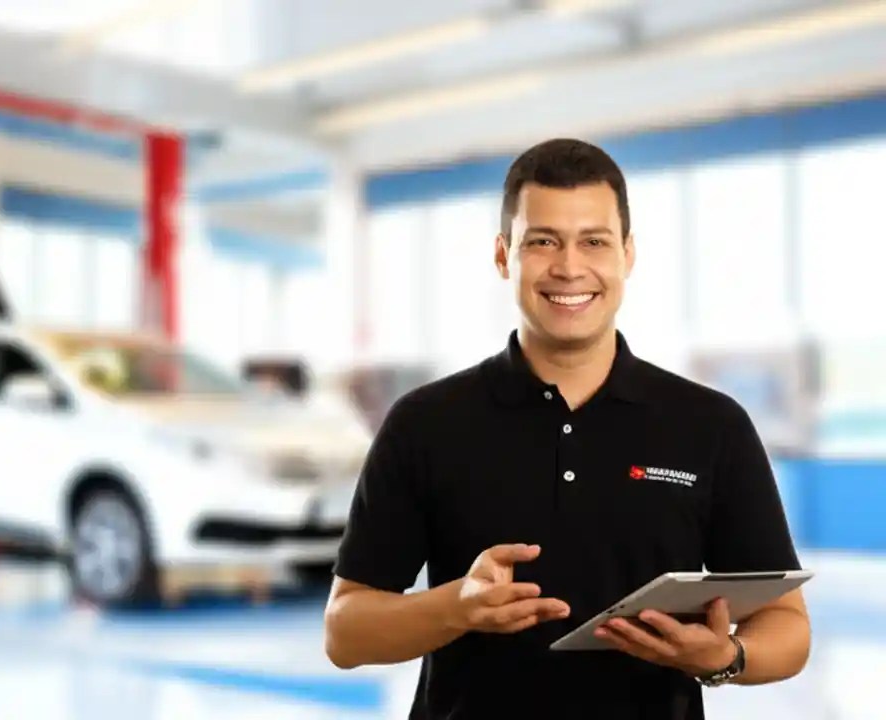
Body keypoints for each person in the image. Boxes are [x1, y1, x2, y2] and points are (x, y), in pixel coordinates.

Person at [324, 139, 810, 719]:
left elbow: (787, 625)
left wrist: (725, 656)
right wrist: (458, 606)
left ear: (628, 255)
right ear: (504, 256)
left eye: (594, 242)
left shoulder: (711, 425)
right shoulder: (425, 422)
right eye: (543, 241)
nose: (570, 267)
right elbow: (345, 633)